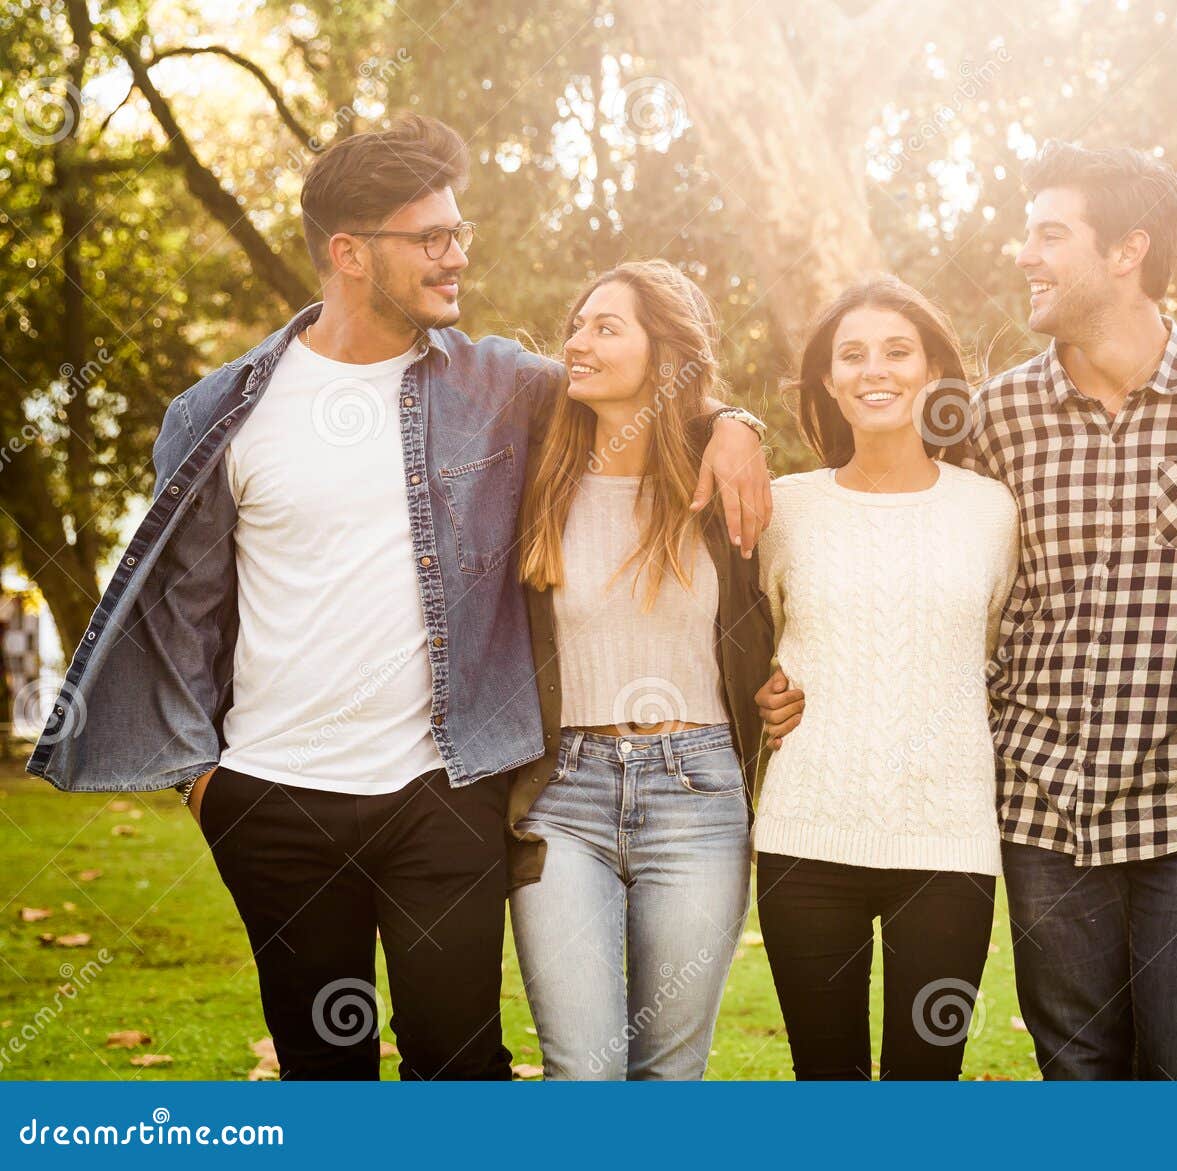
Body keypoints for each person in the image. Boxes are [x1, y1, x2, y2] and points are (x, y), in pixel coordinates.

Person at [26, 116, 769, 1080]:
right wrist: (207, 787)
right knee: (324, 1071)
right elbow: (183, 616)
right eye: (431, 239)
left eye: (457, 233)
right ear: (348, 251)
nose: (456, 256)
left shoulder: (501, 384)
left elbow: (638, 380)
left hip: (444, 794)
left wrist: (735, 423)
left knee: (460, 1063)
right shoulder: (219, 414)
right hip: (274, 800)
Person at [759, 143, 1177, 1079]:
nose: (1024, 254)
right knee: (1077, 1071)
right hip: (1043, 808)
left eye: (1050, 234)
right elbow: (915, 562)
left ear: (1126, 250)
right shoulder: (996, 416)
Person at [505, 261, 774, 1080]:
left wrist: (736, 420)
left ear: (666, 353)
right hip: (563, 794)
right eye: (577, 325)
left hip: (698, 794)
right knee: (582, 1071)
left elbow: (795, 617)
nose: (576, 343)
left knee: (668, 1073)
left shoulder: (724, 486)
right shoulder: (532, 478)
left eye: (605, 327)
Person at [754, 276, 1018, 1079]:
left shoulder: (990, 509)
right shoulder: (782, 508)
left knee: (924, 1086)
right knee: (825, 1083)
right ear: (829, 382)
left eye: (898, 351)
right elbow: (750, 644)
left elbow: (991, 643)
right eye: (853, 354)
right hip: (805, 839)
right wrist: (764, 687)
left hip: (947, 841)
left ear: (933, 369)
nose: (877, 370)